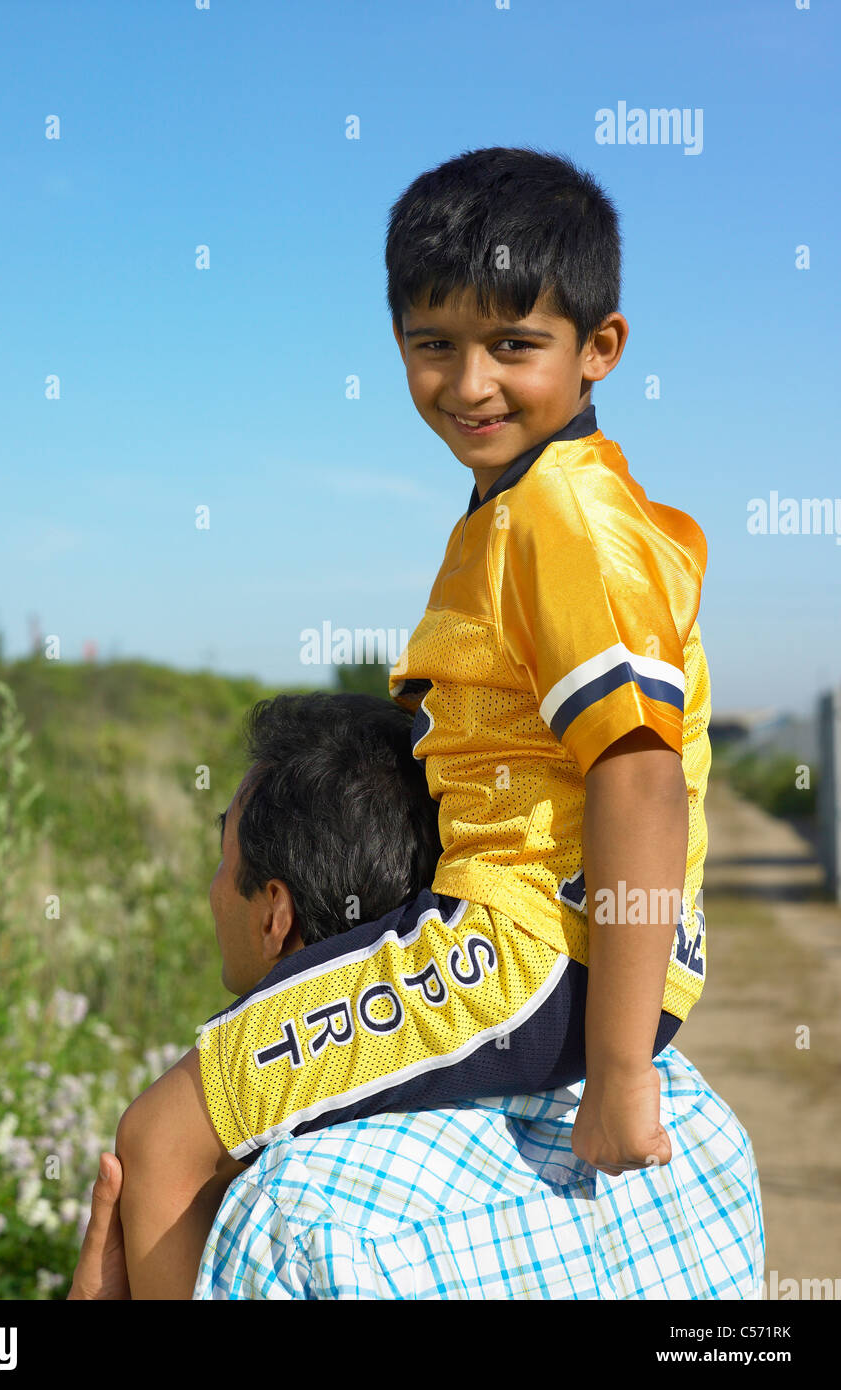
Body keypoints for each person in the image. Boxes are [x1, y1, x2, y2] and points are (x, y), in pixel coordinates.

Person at [114, 147, 712, 1298]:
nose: (469, 382)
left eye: (514, 345)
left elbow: (638, 774)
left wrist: (621, 1071)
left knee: (168, 1132)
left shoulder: (562, 519)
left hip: (532, 946)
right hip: (558, 941)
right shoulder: (516, 508)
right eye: (433, 344)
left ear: (602, 349)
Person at [69, 694, 762, 1300]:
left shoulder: (292, 1222)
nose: (213, 884)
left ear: (274, 915)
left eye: (223, 856)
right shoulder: (695, 1118)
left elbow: (164, 1140)